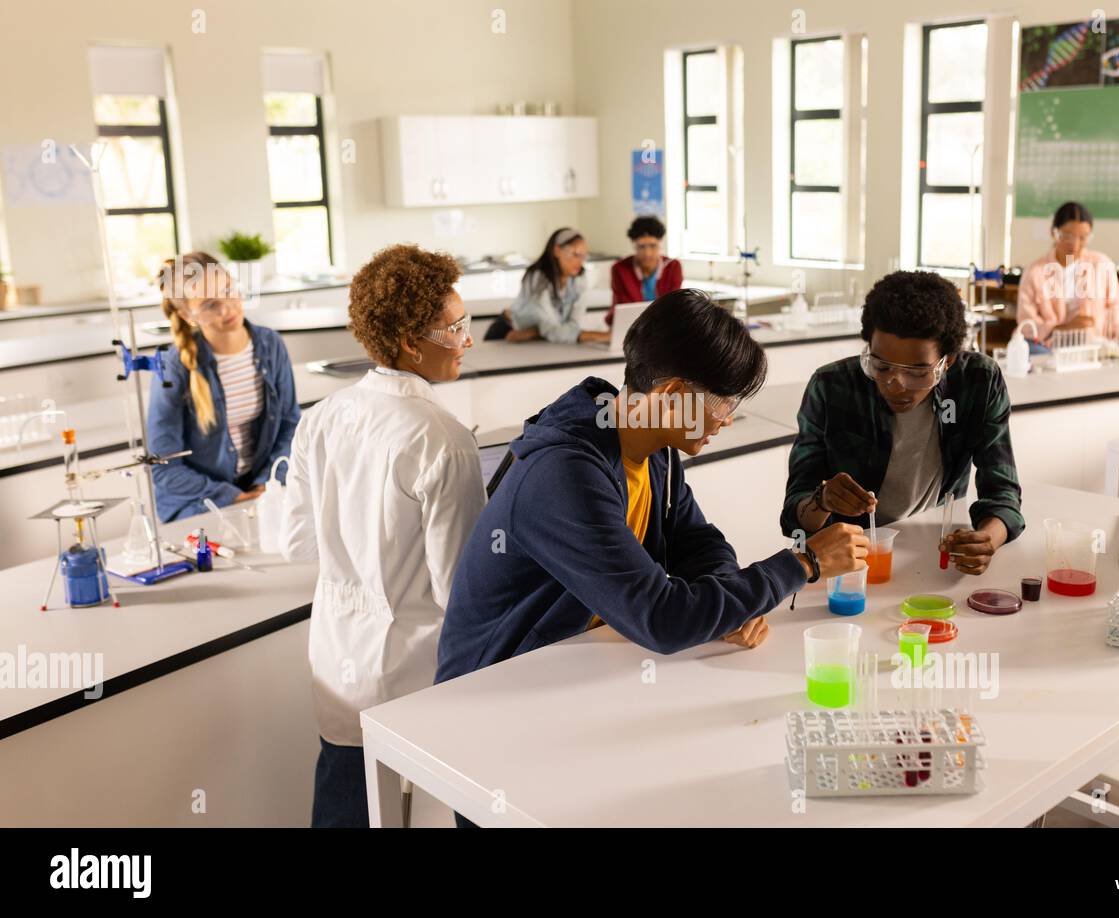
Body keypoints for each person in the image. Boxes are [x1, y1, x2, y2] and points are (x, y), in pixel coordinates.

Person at [438, 289, 867, 683]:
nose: (727, 418)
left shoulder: (653, 448)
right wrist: (804, 563)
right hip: (493, 687)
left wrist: (732, 604)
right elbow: (661, 620)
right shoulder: (563, 473)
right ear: (673, 393)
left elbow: (698, 543)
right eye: (725, 403)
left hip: (574, 666)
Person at [282, 244, 487, 828]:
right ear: (408, 340)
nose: (467, 340)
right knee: (464, 797)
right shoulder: (444, 439)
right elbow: (459, 592)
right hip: (416, 669)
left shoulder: (322, 417)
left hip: (337, 655)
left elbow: (296, 543)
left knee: (344, 800)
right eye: (455, 328)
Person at [782, 271, 1025, 576]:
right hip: (848, 564)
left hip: (934, 552)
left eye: (917, 372)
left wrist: (989, 538)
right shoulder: (831, 387)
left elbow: (1002, 492)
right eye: (881, 366)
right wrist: (823, 499)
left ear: (946, 362)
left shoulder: (978, 381)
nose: (895, 385)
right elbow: (795, 517)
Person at [147, 252, 299, 522]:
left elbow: (290, 425)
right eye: (209, 304)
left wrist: (268, 484)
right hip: (200, 503)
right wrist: (233, 497)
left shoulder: (270, 344)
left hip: (262, 492)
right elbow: (164, 467)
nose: (227, 308)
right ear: (186, 314)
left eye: (229, 290)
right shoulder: (174, 366)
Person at [1017, 201, 1119, 349]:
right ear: (1054, 233)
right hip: (1048, 346)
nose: (1075, 244)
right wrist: (1065, 328)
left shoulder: (1102, 265)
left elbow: (1114, 306)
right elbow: (1026, 322)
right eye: (1068, 235)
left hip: (1093, 345)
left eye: (1082, 237)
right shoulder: (1035, 272)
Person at [493, 227, 610, 344]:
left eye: (583, 256)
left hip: (542, 339)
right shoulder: (537, 278)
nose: (580, 261)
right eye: (575, 254)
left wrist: (536, 332)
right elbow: (552, 329)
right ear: (557, 251)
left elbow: (573, 323)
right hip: (507, 332)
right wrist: (597, 336)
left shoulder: (579, 278)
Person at [605, 215, 683, 325]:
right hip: (631, 325)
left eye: (653, 246)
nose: (647, 253)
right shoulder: (619, 269)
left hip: (665, 324)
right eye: (641, 247)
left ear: (660, 243)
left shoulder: (673, 267)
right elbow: (624, 309)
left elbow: (673, 305)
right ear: (634, 244)